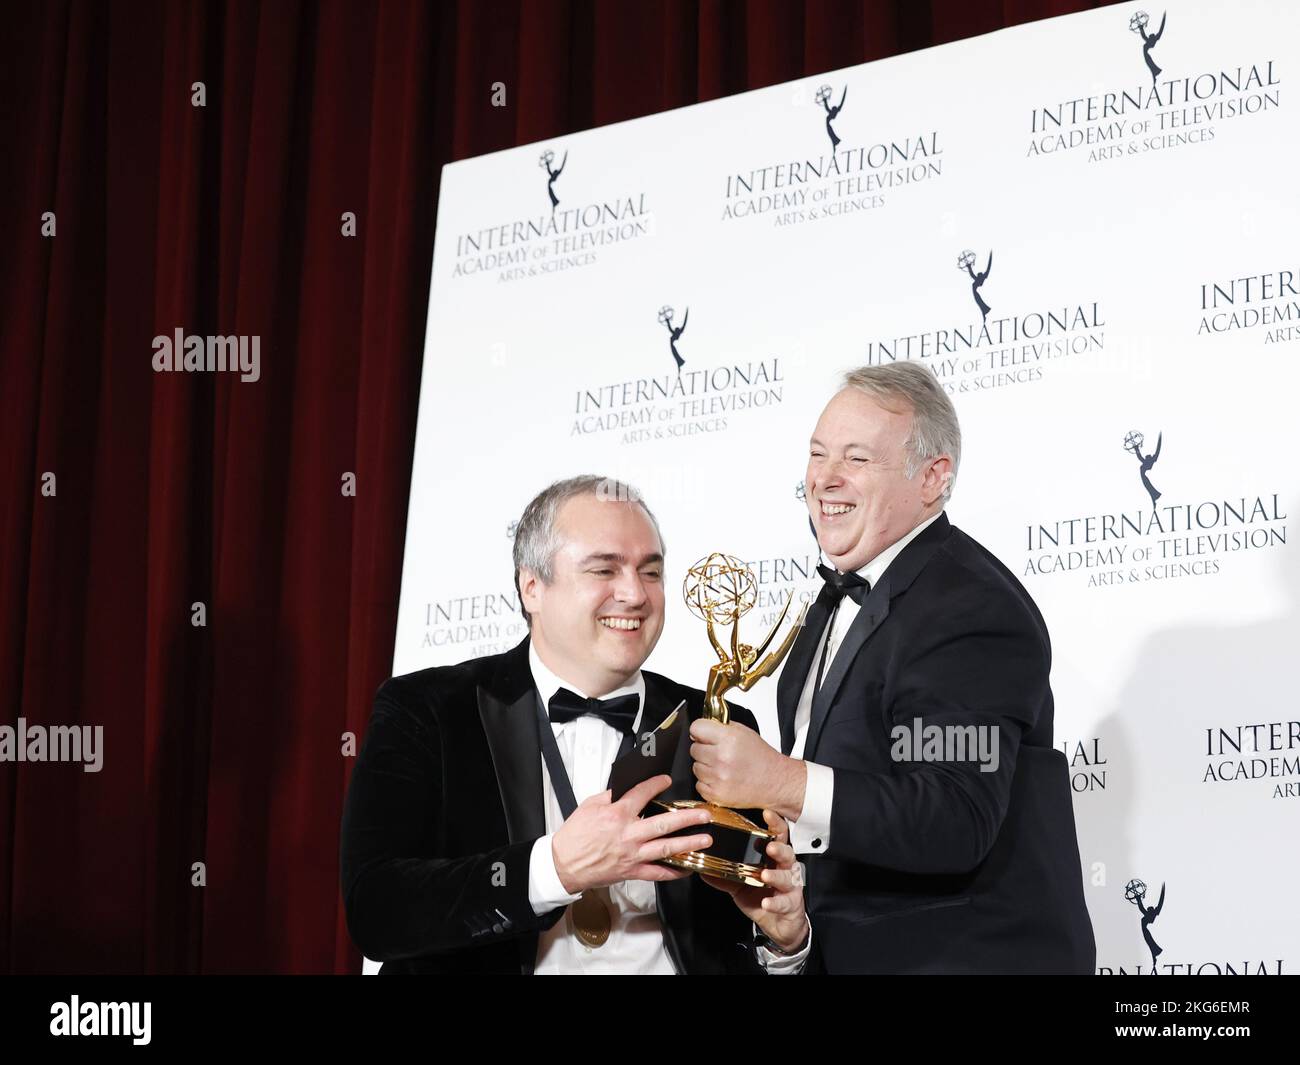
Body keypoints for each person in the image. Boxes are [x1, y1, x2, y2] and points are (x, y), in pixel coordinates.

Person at [689, 363, 1095, 973]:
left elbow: (955, 814)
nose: (824, 479)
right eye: (818, 454)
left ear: (932, 478)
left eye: (856, 459)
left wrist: (779, 780)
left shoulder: (966, 606)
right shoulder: (839, 600)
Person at [340, 475, 810, 973]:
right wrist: (555, 869)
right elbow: (376, 909)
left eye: (650, 572)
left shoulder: (720, 726)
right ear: (532, 587)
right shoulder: (428, 709)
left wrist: (785, 942)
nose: (634, 594)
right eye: (604, 569)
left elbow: (738, 936)